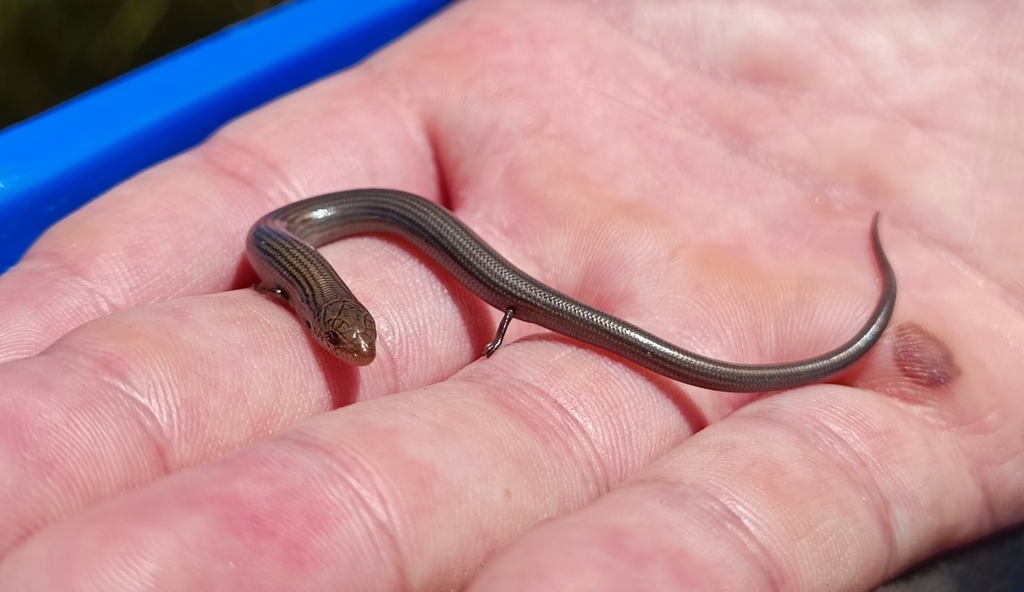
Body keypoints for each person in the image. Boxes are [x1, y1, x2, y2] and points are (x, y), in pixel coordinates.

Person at [0, 0, 1015, 589]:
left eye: (351, 335)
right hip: (323, 231)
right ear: (313, 309)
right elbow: (276, 245)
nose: (352, 347)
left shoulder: (318, 267)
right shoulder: (286, 252)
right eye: (339, 331)